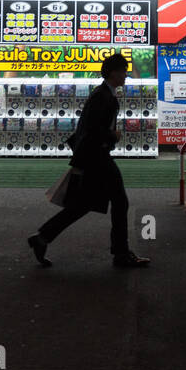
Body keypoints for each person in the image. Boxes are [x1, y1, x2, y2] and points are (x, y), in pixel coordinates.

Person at [28, 53, 150, 268]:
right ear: (113, 72)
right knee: (119, 201)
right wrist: (113, 136)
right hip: (97, 157)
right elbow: (93, 129)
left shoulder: (103, 94)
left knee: (83, 205)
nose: (126, 76)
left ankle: (42, 237)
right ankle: (120, 254)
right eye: (123, 71)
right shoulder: (103, 96)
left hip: (93, 156)